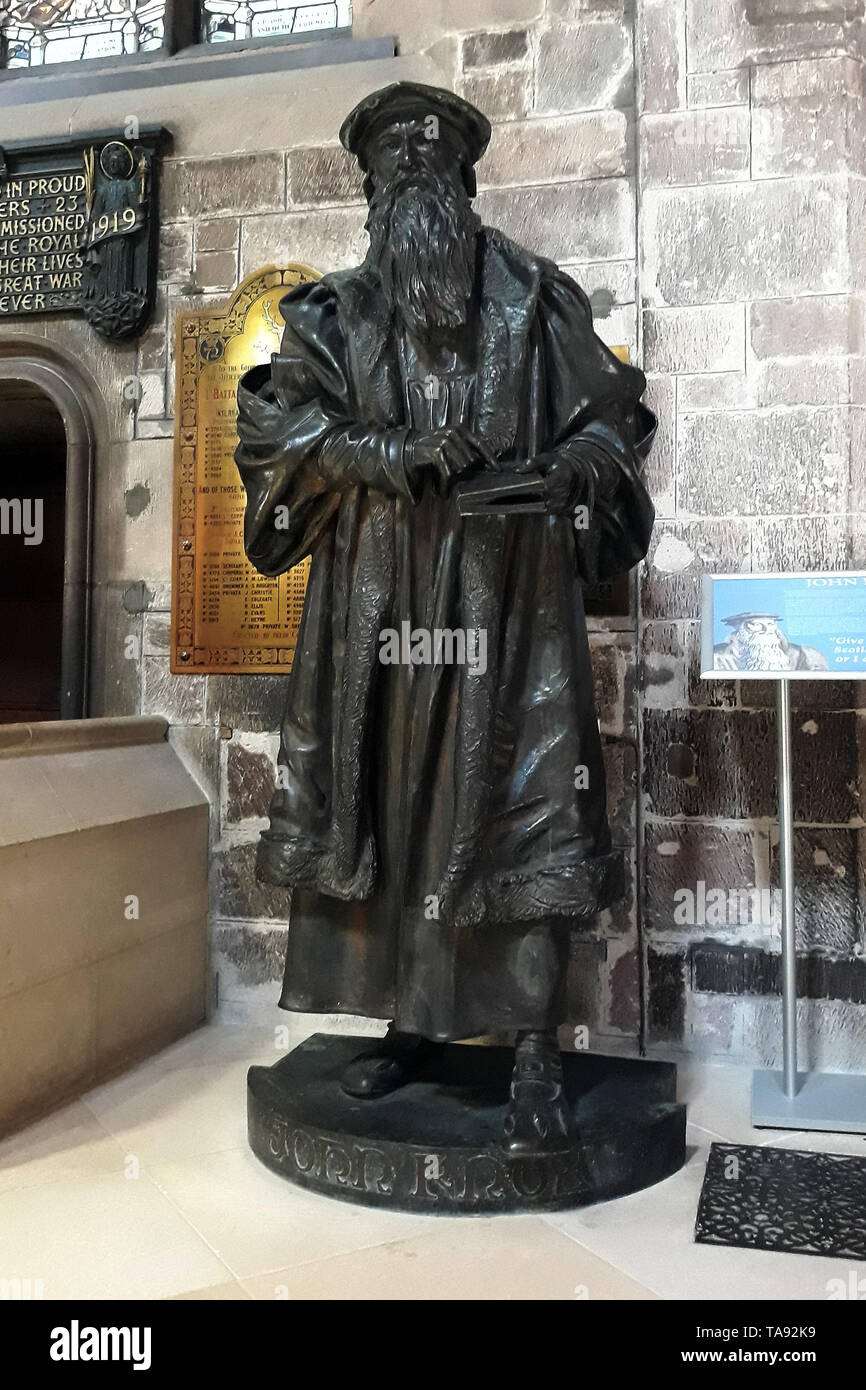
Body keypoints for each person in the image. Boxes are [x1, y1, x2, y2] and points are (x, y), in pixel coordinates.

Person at [235, 82, 656, 1152]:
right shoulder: (329, 317)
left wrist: (559, 477)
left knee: (512, 806)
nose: (411, 193)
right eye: (392, 178)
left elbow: (610, 430)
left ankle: (530, 1045)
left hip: (504, 607)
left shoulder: (536, 302)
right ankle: (410, 1019)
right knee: (394, 804)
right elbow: (281, 435)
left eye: (430, 173)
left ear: (463, 185)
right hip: (373, 612)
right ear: (371, 196)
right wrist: (388, 456)